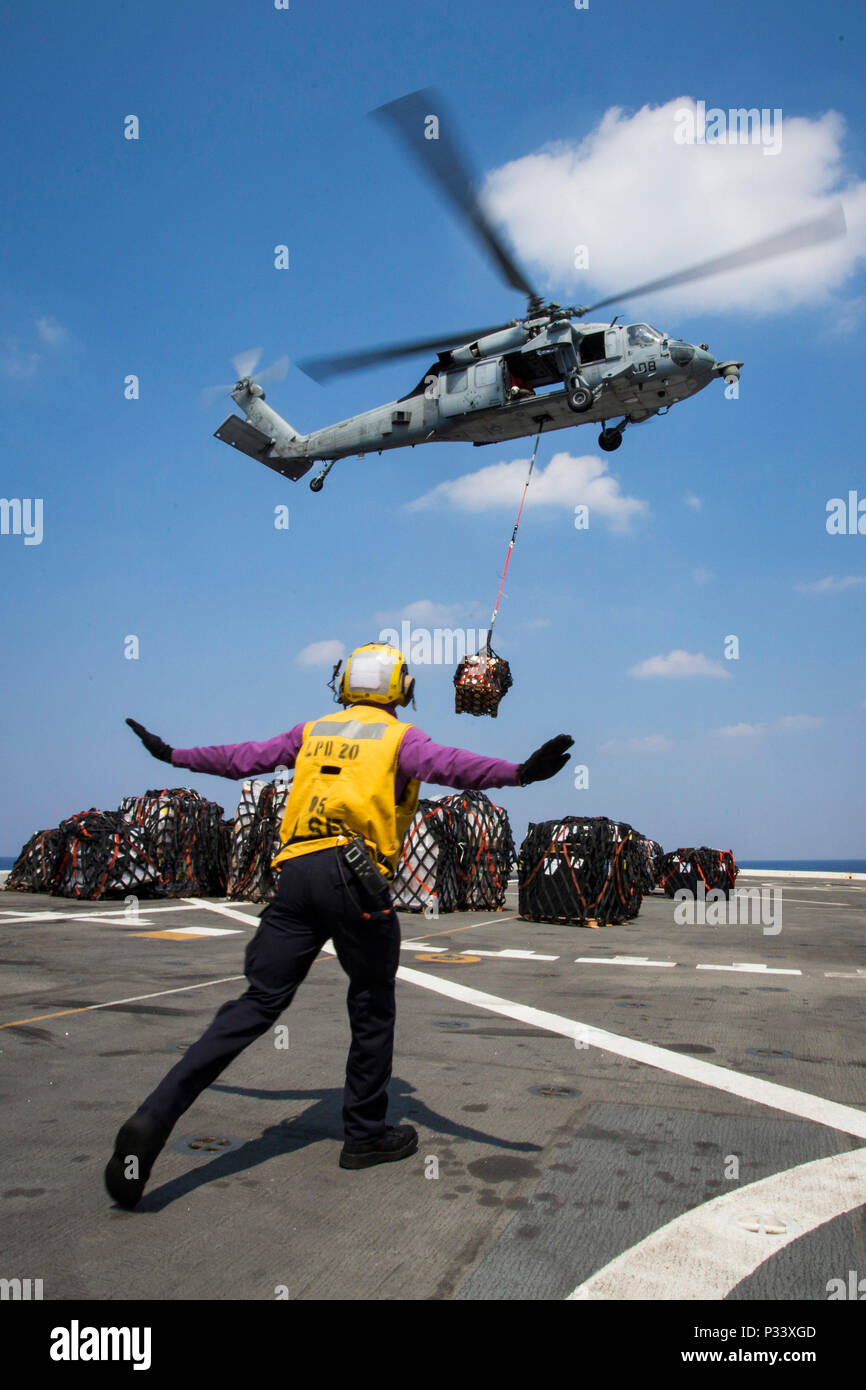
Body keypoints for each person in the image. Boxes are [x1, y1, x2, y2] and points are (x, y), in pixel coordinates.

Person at [105, 643, 573, 1207]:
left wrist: (173, 755)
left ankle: (155, 1118)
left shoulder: (312, 732)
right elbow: (454, 766)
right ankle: (365, 1134)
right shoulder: (402, 739)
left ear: (344, 683)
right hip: (355, 879)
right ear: (401, 690)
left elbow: (240, 758)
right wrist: (520, 774)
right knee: (372, 1003)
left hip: (295, 874)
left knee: (256, 1005)